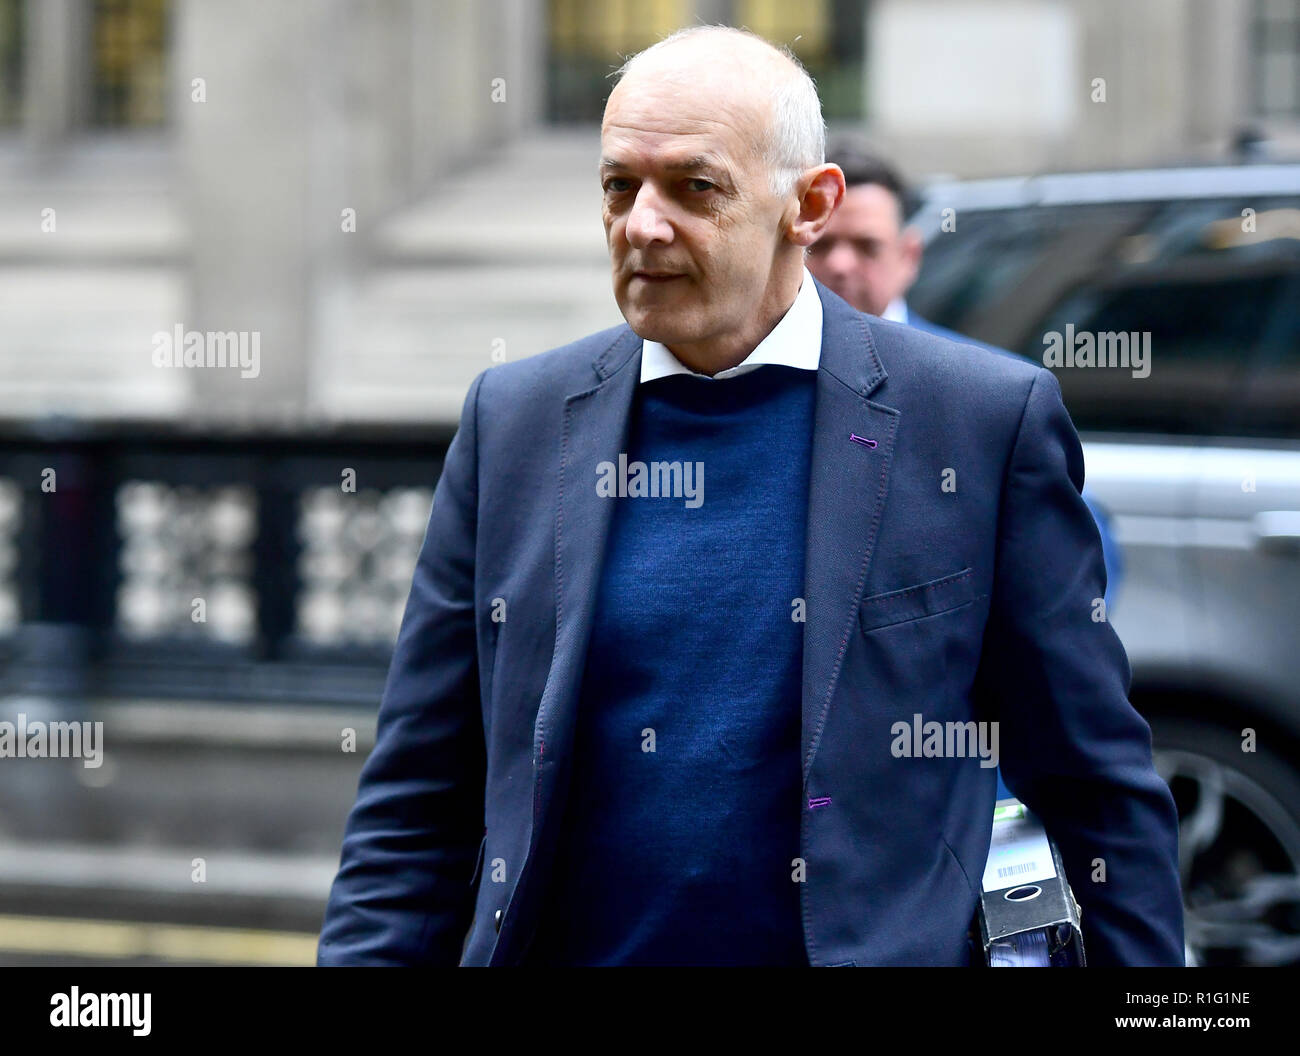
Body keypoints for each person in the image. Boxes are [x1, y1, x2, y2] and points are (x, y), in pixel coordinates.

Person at [317, 25, 1182, 967]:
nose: (643, 224)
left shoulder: (978, 420)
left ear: (810, 205)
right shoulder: (514, 422)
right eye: (619, 187)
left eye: (694, 187)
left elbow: (1094, 784)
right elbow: (416, 804)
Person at [807, 148, 1127, 805]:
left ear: (909, 256)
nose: (840, 265)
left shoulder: (987, 394)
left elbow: (1082, 557)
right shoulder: (757, 386)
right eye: (824, 243)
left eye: (865, 245)